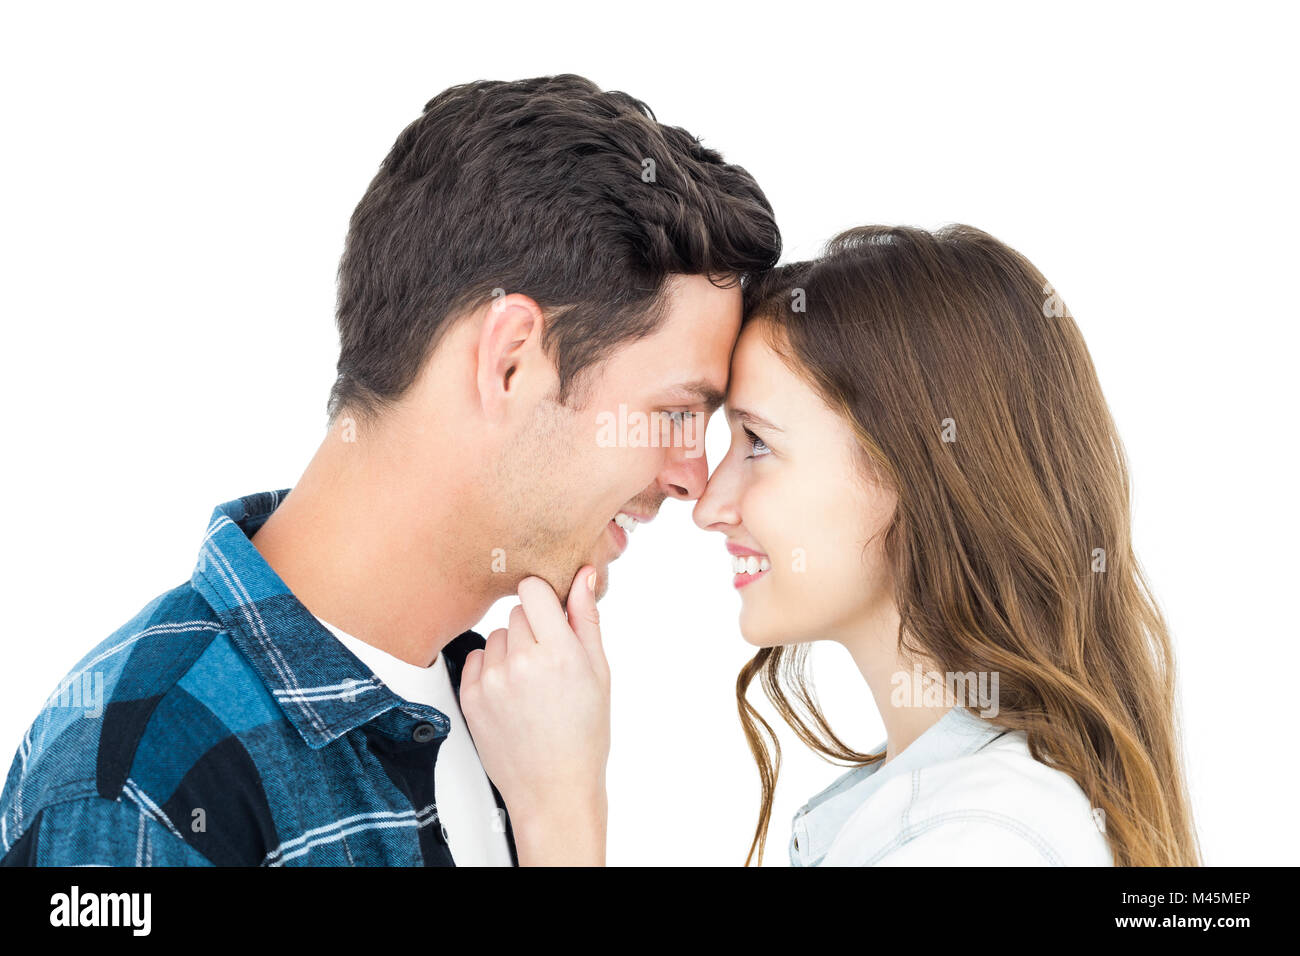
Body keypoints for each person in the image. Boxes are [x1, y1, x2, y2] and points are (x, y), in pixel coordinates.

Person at [0, 73, 780, 866]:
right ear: (509, 362)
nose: (694, 479)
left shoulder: (516, 725)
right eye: (678, 412)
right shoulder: (136, 787)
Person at [466, 223, 1202, 866]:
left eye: (756, 443)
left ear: (919, 472)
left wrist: (559, 816)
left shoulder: (981, 841)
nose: (709, 506)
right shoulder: (943, 810)